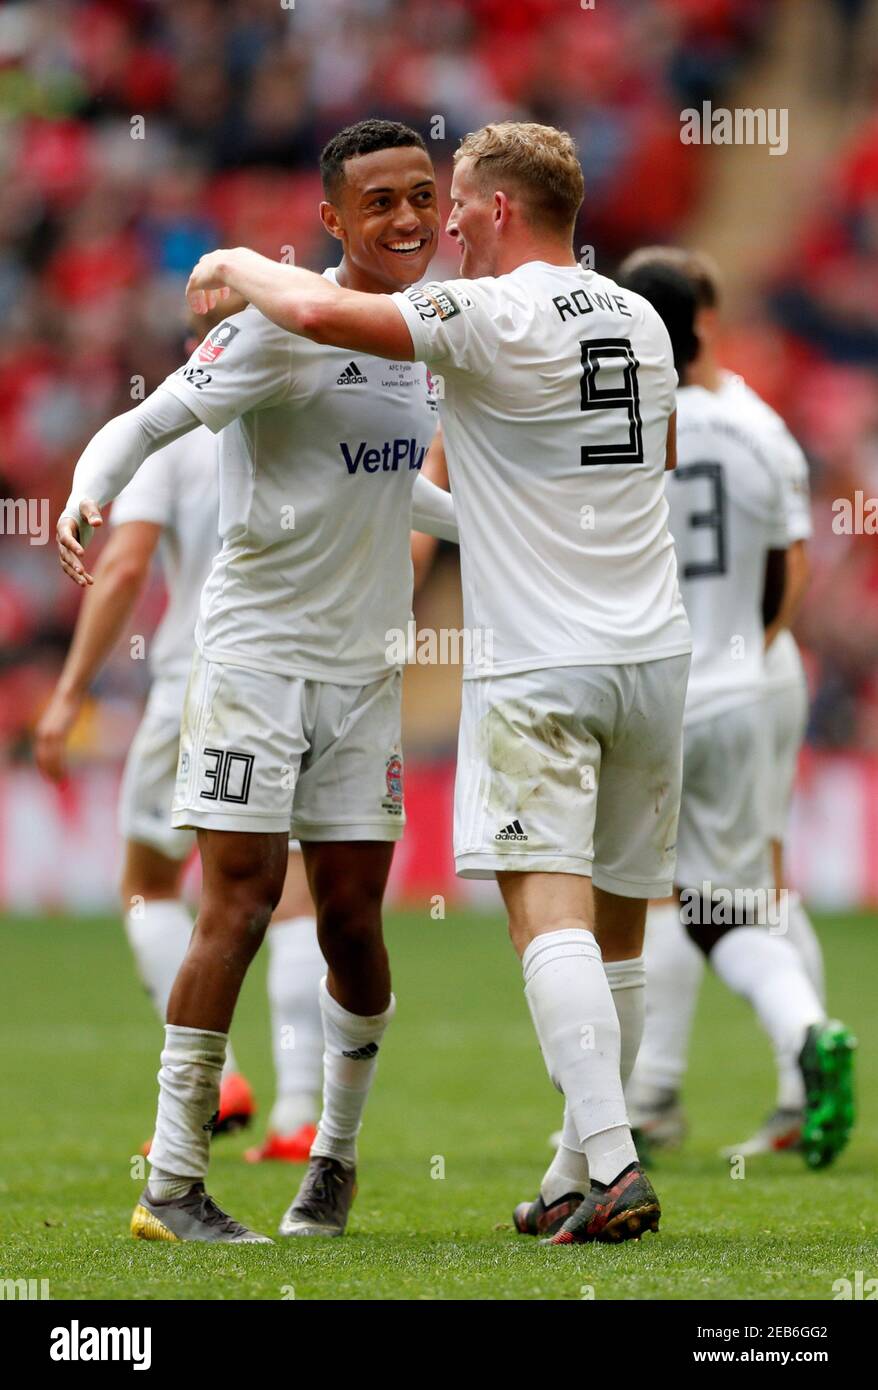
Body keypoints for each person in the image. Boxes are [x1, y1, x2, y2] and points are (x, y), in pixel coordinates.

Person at [184, 120, 693, 1245]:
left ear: (500, 210)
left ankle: (610, 1163)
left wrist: (230, 264)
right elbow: (652, 460)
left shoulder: (489, 312)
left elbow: (317, 311)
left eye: (455, 201)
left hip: (542, 660)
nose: (442, 222)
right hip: (655, 651)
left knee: (542, 912)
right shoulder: (642, 316)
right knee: (617, 924)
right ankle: (572, 1171)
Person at [57, 119, 456, 1244]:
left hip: (363, 675)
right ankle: (174, 1182)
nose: (407, 219)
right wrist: (90, 490)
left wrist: (509, 529)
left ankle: (331, 1159)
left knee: (351, 924)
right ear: (332, 222)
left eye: (420, 195)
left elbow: (390, 490)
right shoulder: (279, 328)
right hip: (254, 664)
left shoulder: (419, 338)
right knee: (233, 904)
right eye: (377, 202)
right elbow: (144, 422)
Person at [37, 309, 326, 1165]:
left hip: (196, 680)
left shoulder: (177, 434)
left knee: (150, 883)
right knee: (296, 893)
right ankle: (300, 1116)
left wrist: (67, 693)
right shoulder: (311, 415)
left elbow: (122, 566)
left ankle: (218, 1079)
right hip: (303, 676)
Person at [618, 256, 856, 1171]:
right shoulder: (762, 432)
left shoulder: (634, 423)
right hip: (761, 674)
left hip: (676, 687)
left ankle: (660, 1092)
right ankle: (786, 1082)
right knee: (749, 883)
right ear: (705, 321)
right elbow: (790, 573)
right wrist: (754, 657)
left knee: (681, 898)